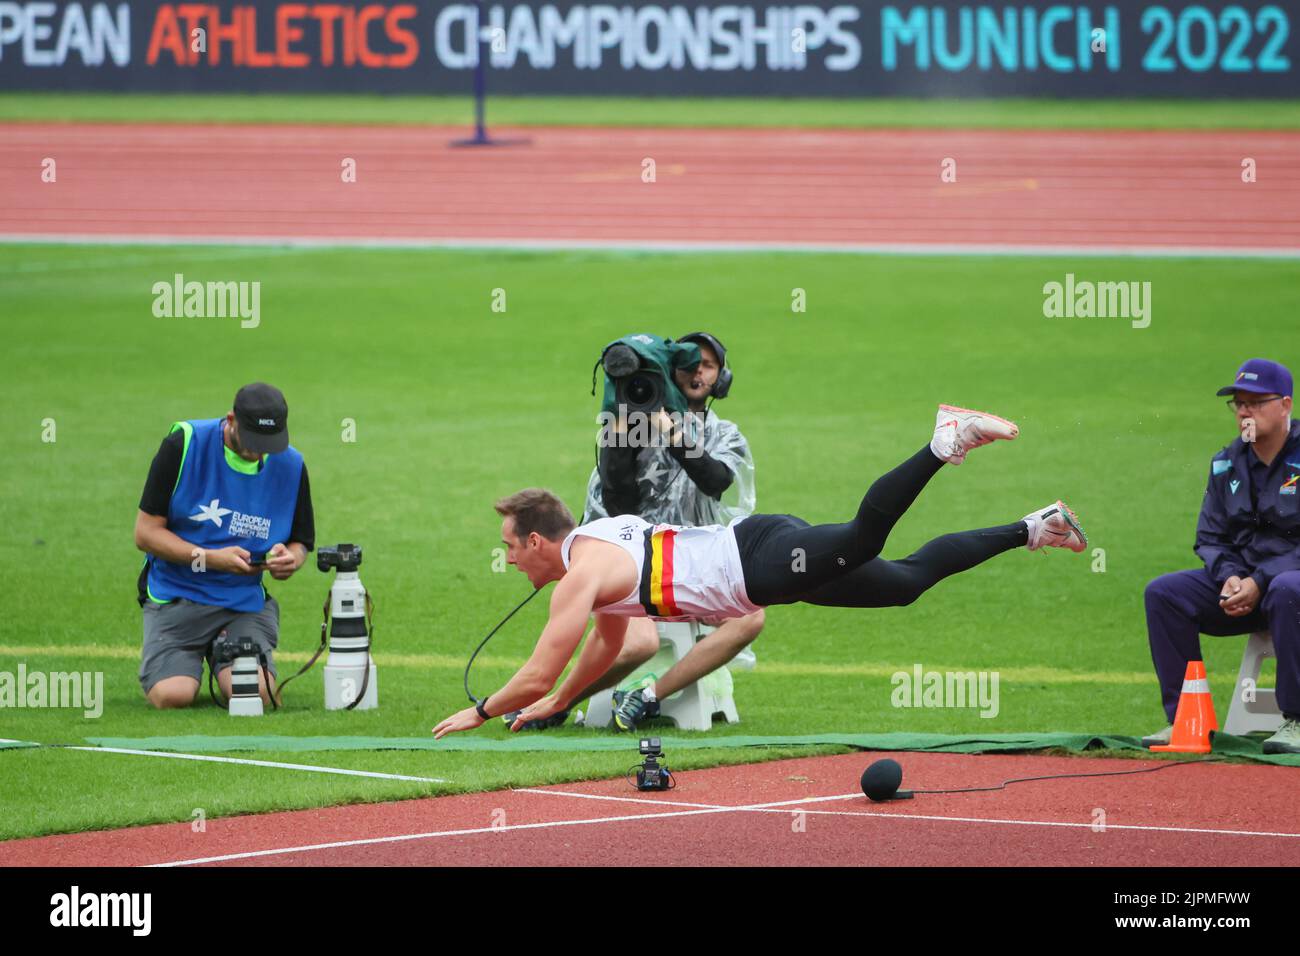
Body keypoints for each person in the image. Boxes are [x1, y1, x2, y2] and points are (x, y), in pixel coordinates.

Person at [432, 404, 1086, 738]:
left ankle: (943, 442)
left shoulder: (580, 574)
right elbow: (605, 648)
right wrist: (559, 705)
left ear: (540, 540)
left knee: (863, 540)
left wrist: (483, 710)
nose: (510, 558)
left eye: (512, 546)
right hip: (766, 557)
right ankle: (1035, 527)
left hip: (758, 561)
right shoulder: (595, 557)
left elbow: (545, 666)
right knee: (906, 584)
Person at [509, 331, 763, 731]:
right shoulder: (632, 427)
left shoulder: (725, 433)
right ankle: (555, 704)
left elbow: (715, 480)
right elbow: (617, 502)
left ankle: (646, 697)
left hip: (695, 570)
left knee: (751, 618)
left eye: (708, 365)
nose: (698, 372)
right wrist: (621, 430)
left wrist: (671, 429)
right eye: (690, 364)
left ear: (722, 378)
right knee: (638, 641)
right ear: (670, 373)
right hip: (637, 572)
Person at [1142, 358, 1300, 754]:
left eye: (1256, 402)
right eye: (1238, 403)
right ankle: (1184, 719)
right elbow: (1210, 538)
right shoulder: (1226, 463)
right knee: (1164, 594)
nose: (1245, 411)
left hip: (1289, 589)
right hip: (1247, 589)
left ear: (1285, 405)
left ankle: (1296, 721)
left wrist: (1259, 581)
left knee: (1285, 588)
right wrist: (1230, 576)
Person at [134, 383, 314, 709]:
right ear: (231, 420)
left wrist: (291, 559)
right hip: (177, 595)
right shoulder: (184, 443)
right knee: (173, 696)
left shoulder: (291, 465)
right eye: (254, 443)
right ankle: (185, 657)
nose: (260, 453)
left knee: (255, 695)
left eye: (268, 445)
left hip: (240, 604)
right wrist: (211, 559)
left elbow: (301, 542)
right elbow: (145, 533)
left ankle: (223, 650)